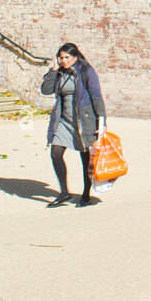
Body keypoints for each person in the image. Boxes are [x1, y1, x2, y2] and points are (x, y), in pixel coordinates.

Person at [41, 43, 106, 208]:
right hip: (63, 120)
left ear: (75, 57)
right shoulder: (60, 72)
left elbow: (96, 96)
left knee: (85, 159)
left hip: (83, 120)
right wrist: (53, 70)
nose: (63, 61)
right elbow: (46, 90)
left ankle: (86, 194)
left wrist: (102, 121)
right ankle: (64, 193)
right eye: (61, 58)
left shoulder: (86, 71)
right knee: (55, 153)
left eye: (67, 58)